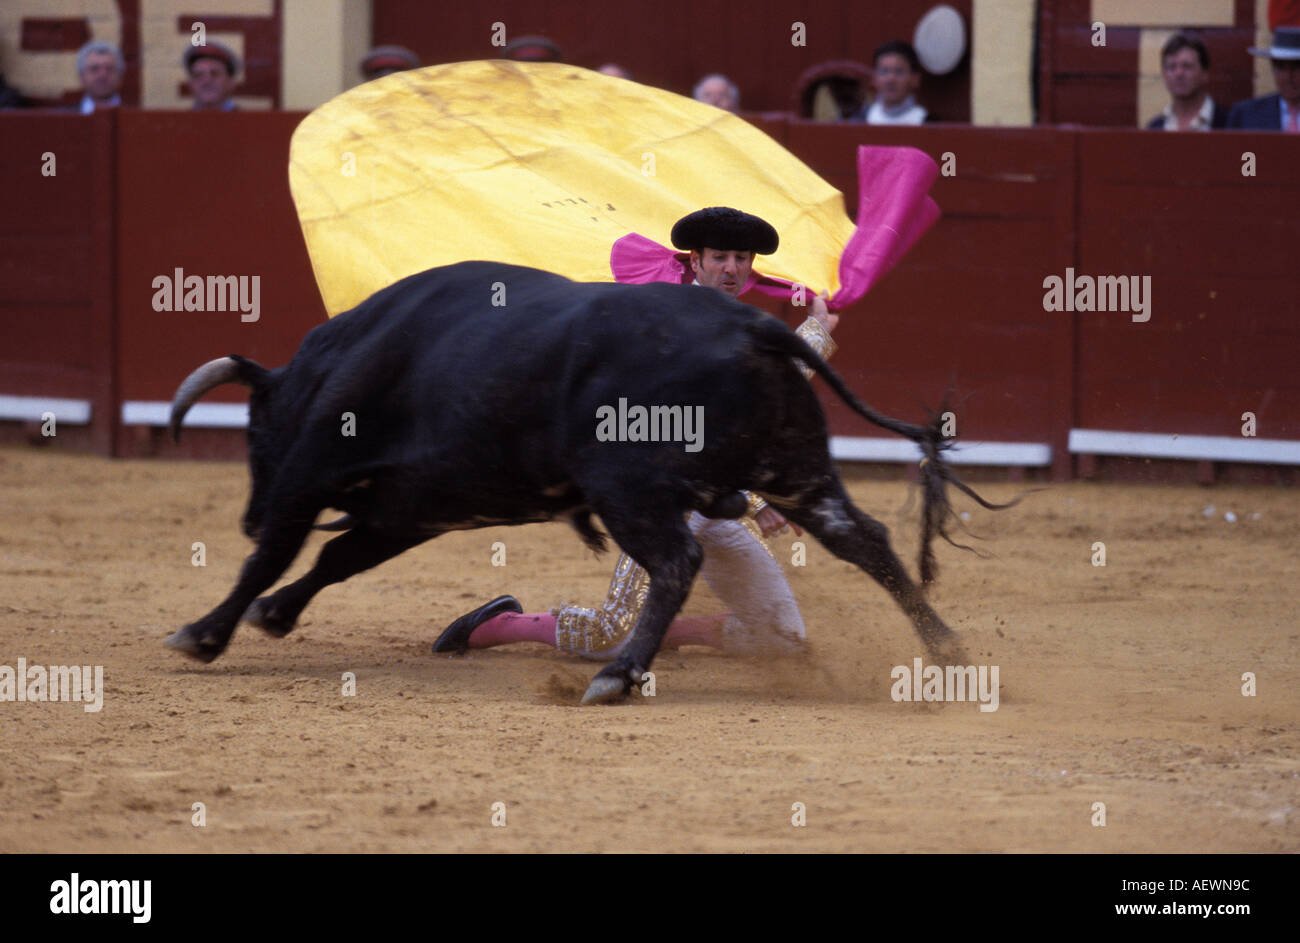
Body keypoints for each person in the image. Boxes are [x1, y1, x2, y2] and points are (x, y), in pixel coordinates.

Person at [434, 207, 840, 660]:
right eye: (720, 257)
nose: (731, 268)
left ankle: (670, 631)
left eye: (741, 258)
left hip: (708, 507)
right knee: (610, 633)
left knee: (781, 642)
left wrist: (816, 334)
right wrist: (760, 499)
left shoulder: (728, 324)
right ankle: (498, 624)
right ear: (695, 261)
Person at [1147, 33, 1227, 130]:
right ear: (1164, 74)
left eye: (1187, 66)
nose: (1179, 74)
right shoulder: (1155, 128)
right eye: (1172, 67)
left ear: (1205, 74)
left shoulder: (1228, 123)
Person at [1227, 26, 1300, 130]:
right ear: (1273, 69)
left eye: (1297, 67)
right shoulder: (1245, 114)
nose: (1288, 76)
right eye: (1281, 67)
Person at [857, 40, 930, 125]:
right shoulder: (860, 120)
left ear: (915, 79)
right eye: (884, 71)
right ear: (874, 78)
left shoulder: (928, 123)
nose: (891, 79)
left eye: (899, 71)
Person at [183, 42, 239, 111]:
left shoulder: (248, 121)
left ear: (230, 82)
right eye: (198, 75)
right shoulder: (179, 121)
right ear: (191, 84)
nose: (206, 81)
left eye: (215, 74)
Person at [75, 40, 124, 113]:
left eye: (109, 68)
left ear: (120, 76)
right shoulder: (62, 120)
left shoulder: (137, 118)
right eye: (94, 69)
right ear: (81, 77)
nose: (102, 75)